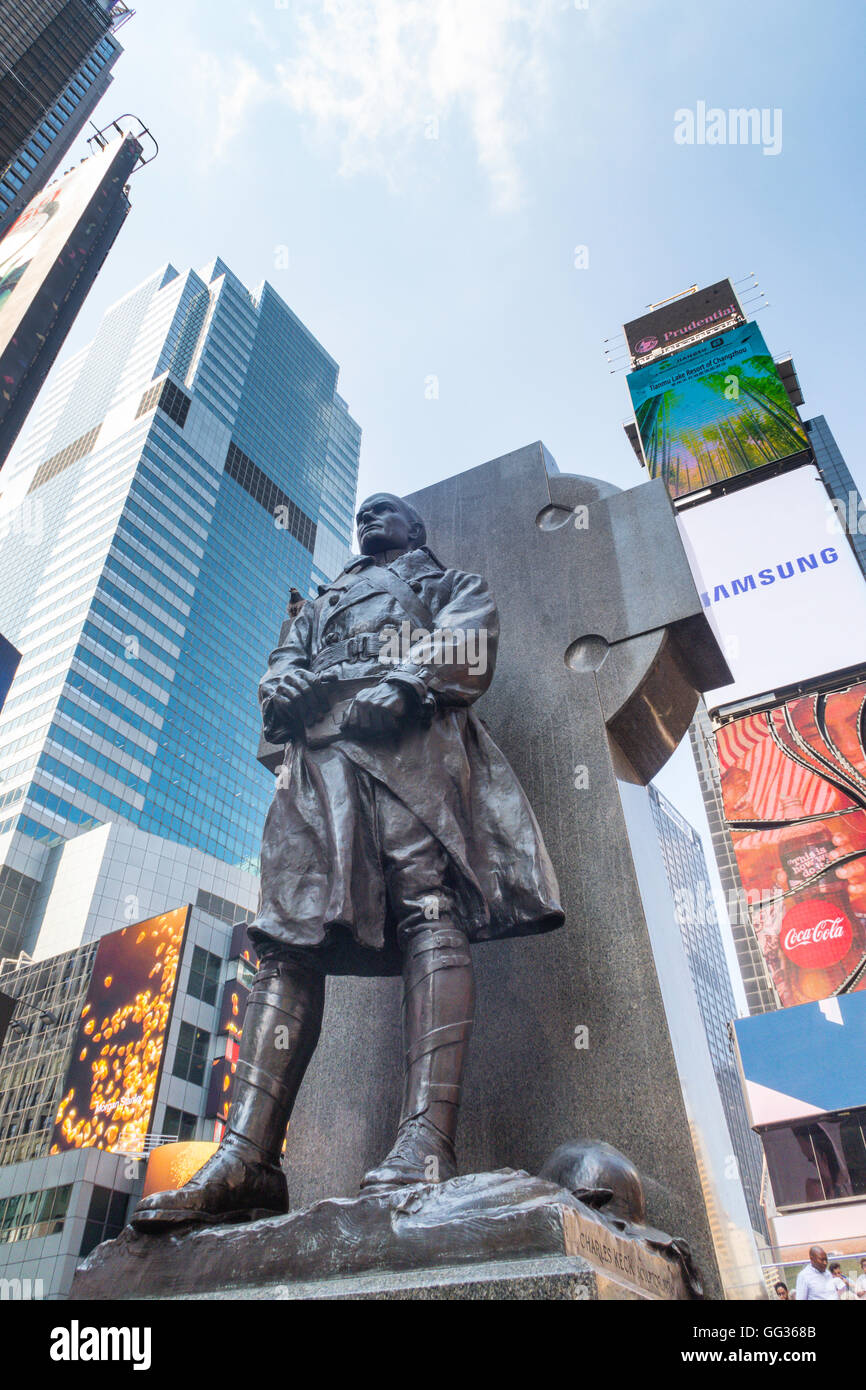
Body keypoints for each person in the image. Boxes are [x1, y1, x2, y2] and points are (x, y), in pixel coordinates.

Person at [133, 492, 564, 1229]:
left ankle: (427, 1140)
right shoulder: (318, 603)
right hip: (315, 764)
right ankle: (249, 1156)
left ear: (416, 529)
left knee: (429, 905)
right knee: (283, 939)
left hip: (408, 747)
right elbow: (277, 671)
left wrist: (407, 682)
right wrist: (282, 687)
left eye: (385, 511)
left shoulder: (445, 584)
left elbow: (469, 638)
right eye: (361, 514)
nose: (368, 518)